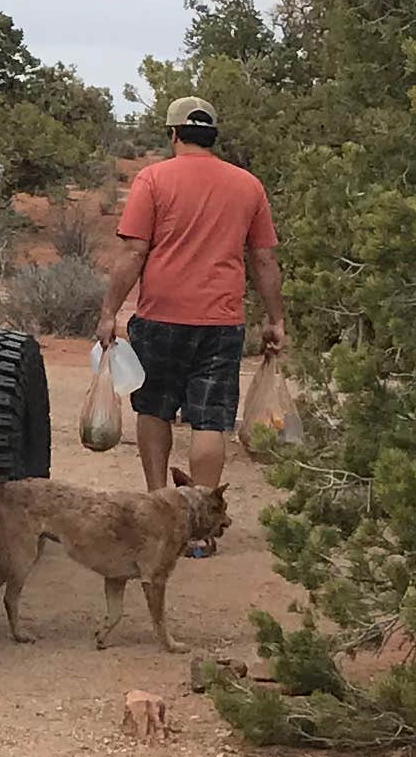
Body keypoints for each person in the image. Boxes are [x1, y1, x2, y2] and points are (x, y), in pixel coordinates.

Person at [97, 95, 282, 510]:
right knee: (210, 420)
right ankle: (199, 521)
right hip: (221, 322)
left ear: (174, 133)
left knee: (154, 409)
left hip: (161, 317)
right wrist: (276, 318)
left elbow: (133, 253)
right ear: (212, 136)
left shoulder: (152, 180)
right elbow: (264, 259)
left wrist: (110, 311)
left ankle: (157, 507)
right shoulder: (248, 185)